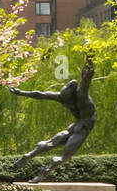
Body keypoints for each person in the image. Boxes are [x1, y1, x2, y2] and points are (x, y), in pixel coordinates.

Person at [9, 55, 97, 183]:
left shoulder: (60, 97)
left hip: (74, 125)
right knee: (64, 157)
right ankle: (42, 174)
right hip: (82, 128)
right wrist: (90, 56)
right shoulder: (81, 96)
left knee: (50, 143)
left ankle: (28, 156)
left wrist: (21, 92)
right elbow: (86, 76)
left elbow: (39, 94)